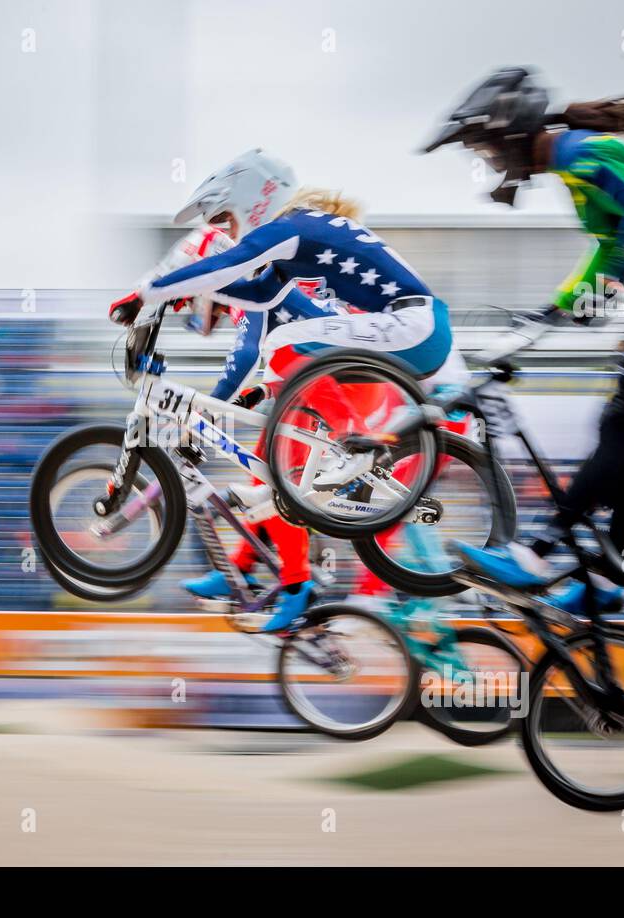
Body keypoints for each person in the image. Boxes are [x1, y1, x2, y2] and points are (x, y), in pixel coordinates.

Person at [113, 148, 467, 630]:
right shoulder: (288, 249)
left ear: (248, 202)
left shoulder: (284, 229)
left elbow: (245, 344)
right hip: (374, 353)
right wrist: (201, 298)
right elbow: (258, 292)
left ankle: (297, 572)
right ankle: (246, 565)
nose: (228, 229)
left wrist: (149, 291)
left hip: (390, 346)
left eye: (225, 218)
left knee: (273, 447)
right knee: (266, 461)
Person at [424, 67, 624, 611]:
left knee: (622, 422)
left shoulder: (581, 155)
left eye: (488, 149)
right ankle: (611, 577)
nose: (491, 162)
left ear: (512, 135)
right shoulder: (576, 163)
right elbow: (609, 246)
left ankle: (538, 553)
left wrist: (610, 285)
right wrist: (554, 309)